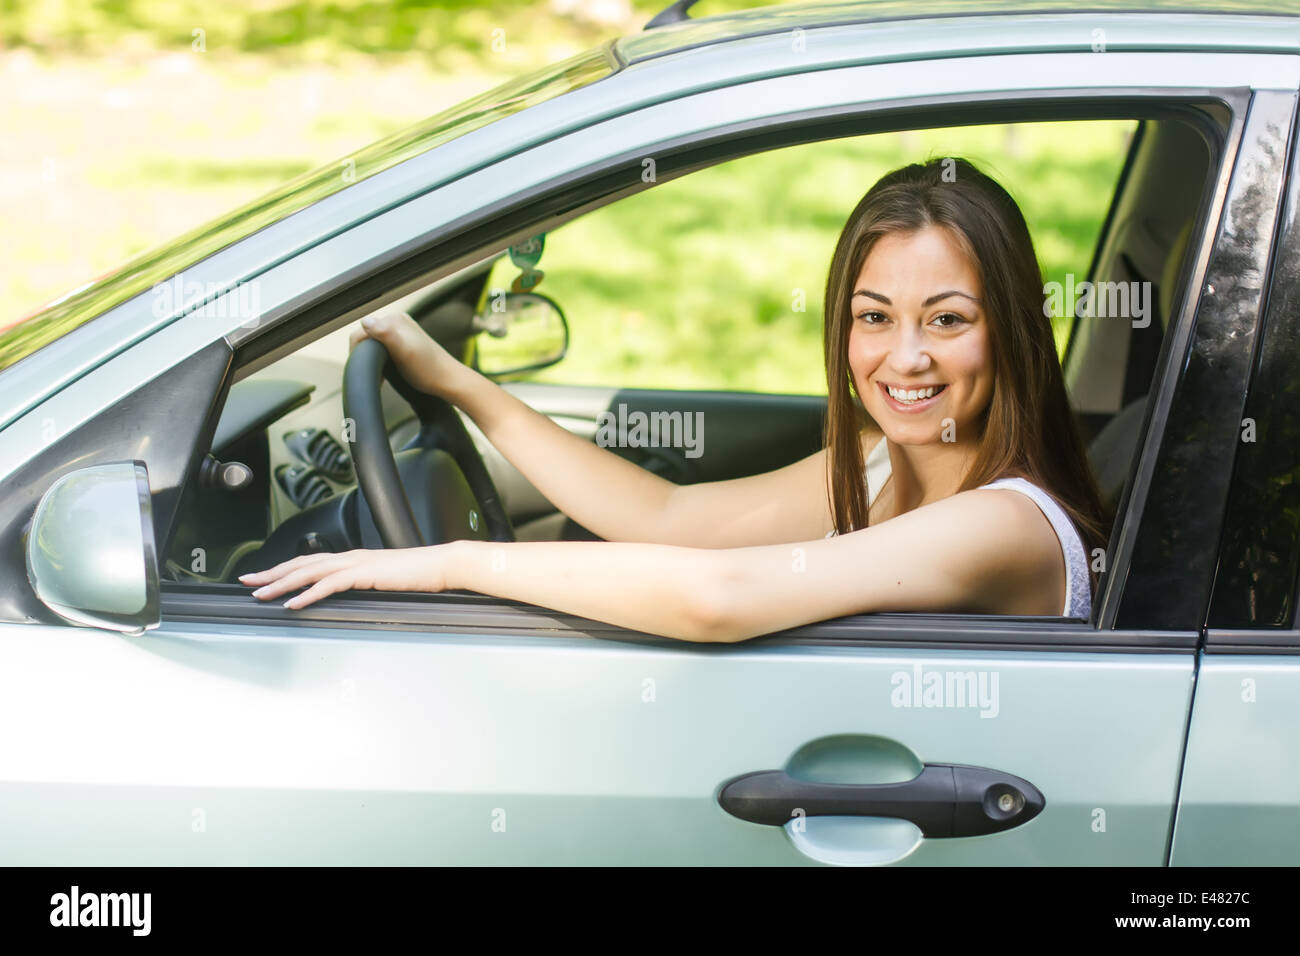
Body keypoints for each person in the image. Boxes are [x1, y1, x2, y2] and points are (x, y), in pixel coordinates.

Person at [241, 157, 1111, 642]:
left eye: (948, 319)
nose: (904, 357)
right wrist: (464, 387)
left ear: (1013, 330)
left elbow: (717, 594)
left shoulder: (1004, 523)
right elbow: (670, 518)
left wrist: (447, 563)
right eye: (873, 317)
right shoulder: (891, 456)